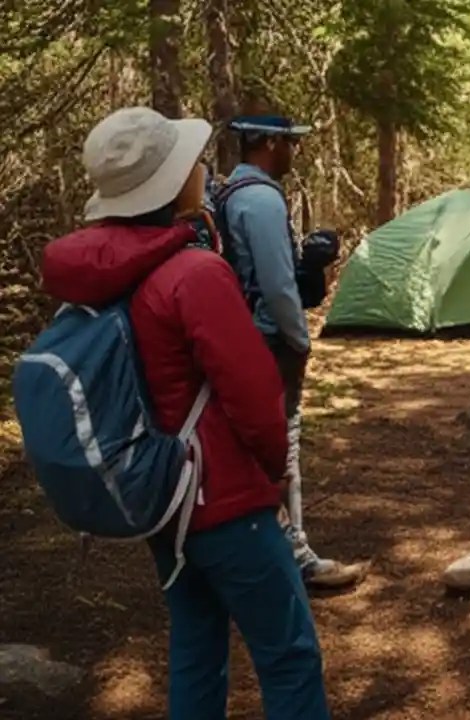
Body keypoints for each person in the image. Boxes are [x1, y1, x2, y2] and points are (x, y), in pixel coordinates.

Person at [40, 107, 329, 718]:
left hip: (162, 495)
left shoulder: (110, 275)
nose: (201, 168)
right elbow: (252, 391)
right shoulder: (192, 272)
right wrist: (274, 470)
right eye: (190, 161)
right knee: (289, 653)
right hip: (225, 499)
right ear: (172, 184)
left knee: (198, 647)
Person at [219, 114, 365, 589]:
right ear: (266, 144)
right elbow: (276, 284)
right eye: (287, 144)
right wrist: (299, 338)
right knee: (282, 446)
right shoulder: (260, 199)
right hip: (268, 340)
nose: (292, 152)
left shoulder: (228, 194)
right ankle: (296, 557)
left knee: (256, 448)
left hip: (242, 336)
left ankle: (272, 549)